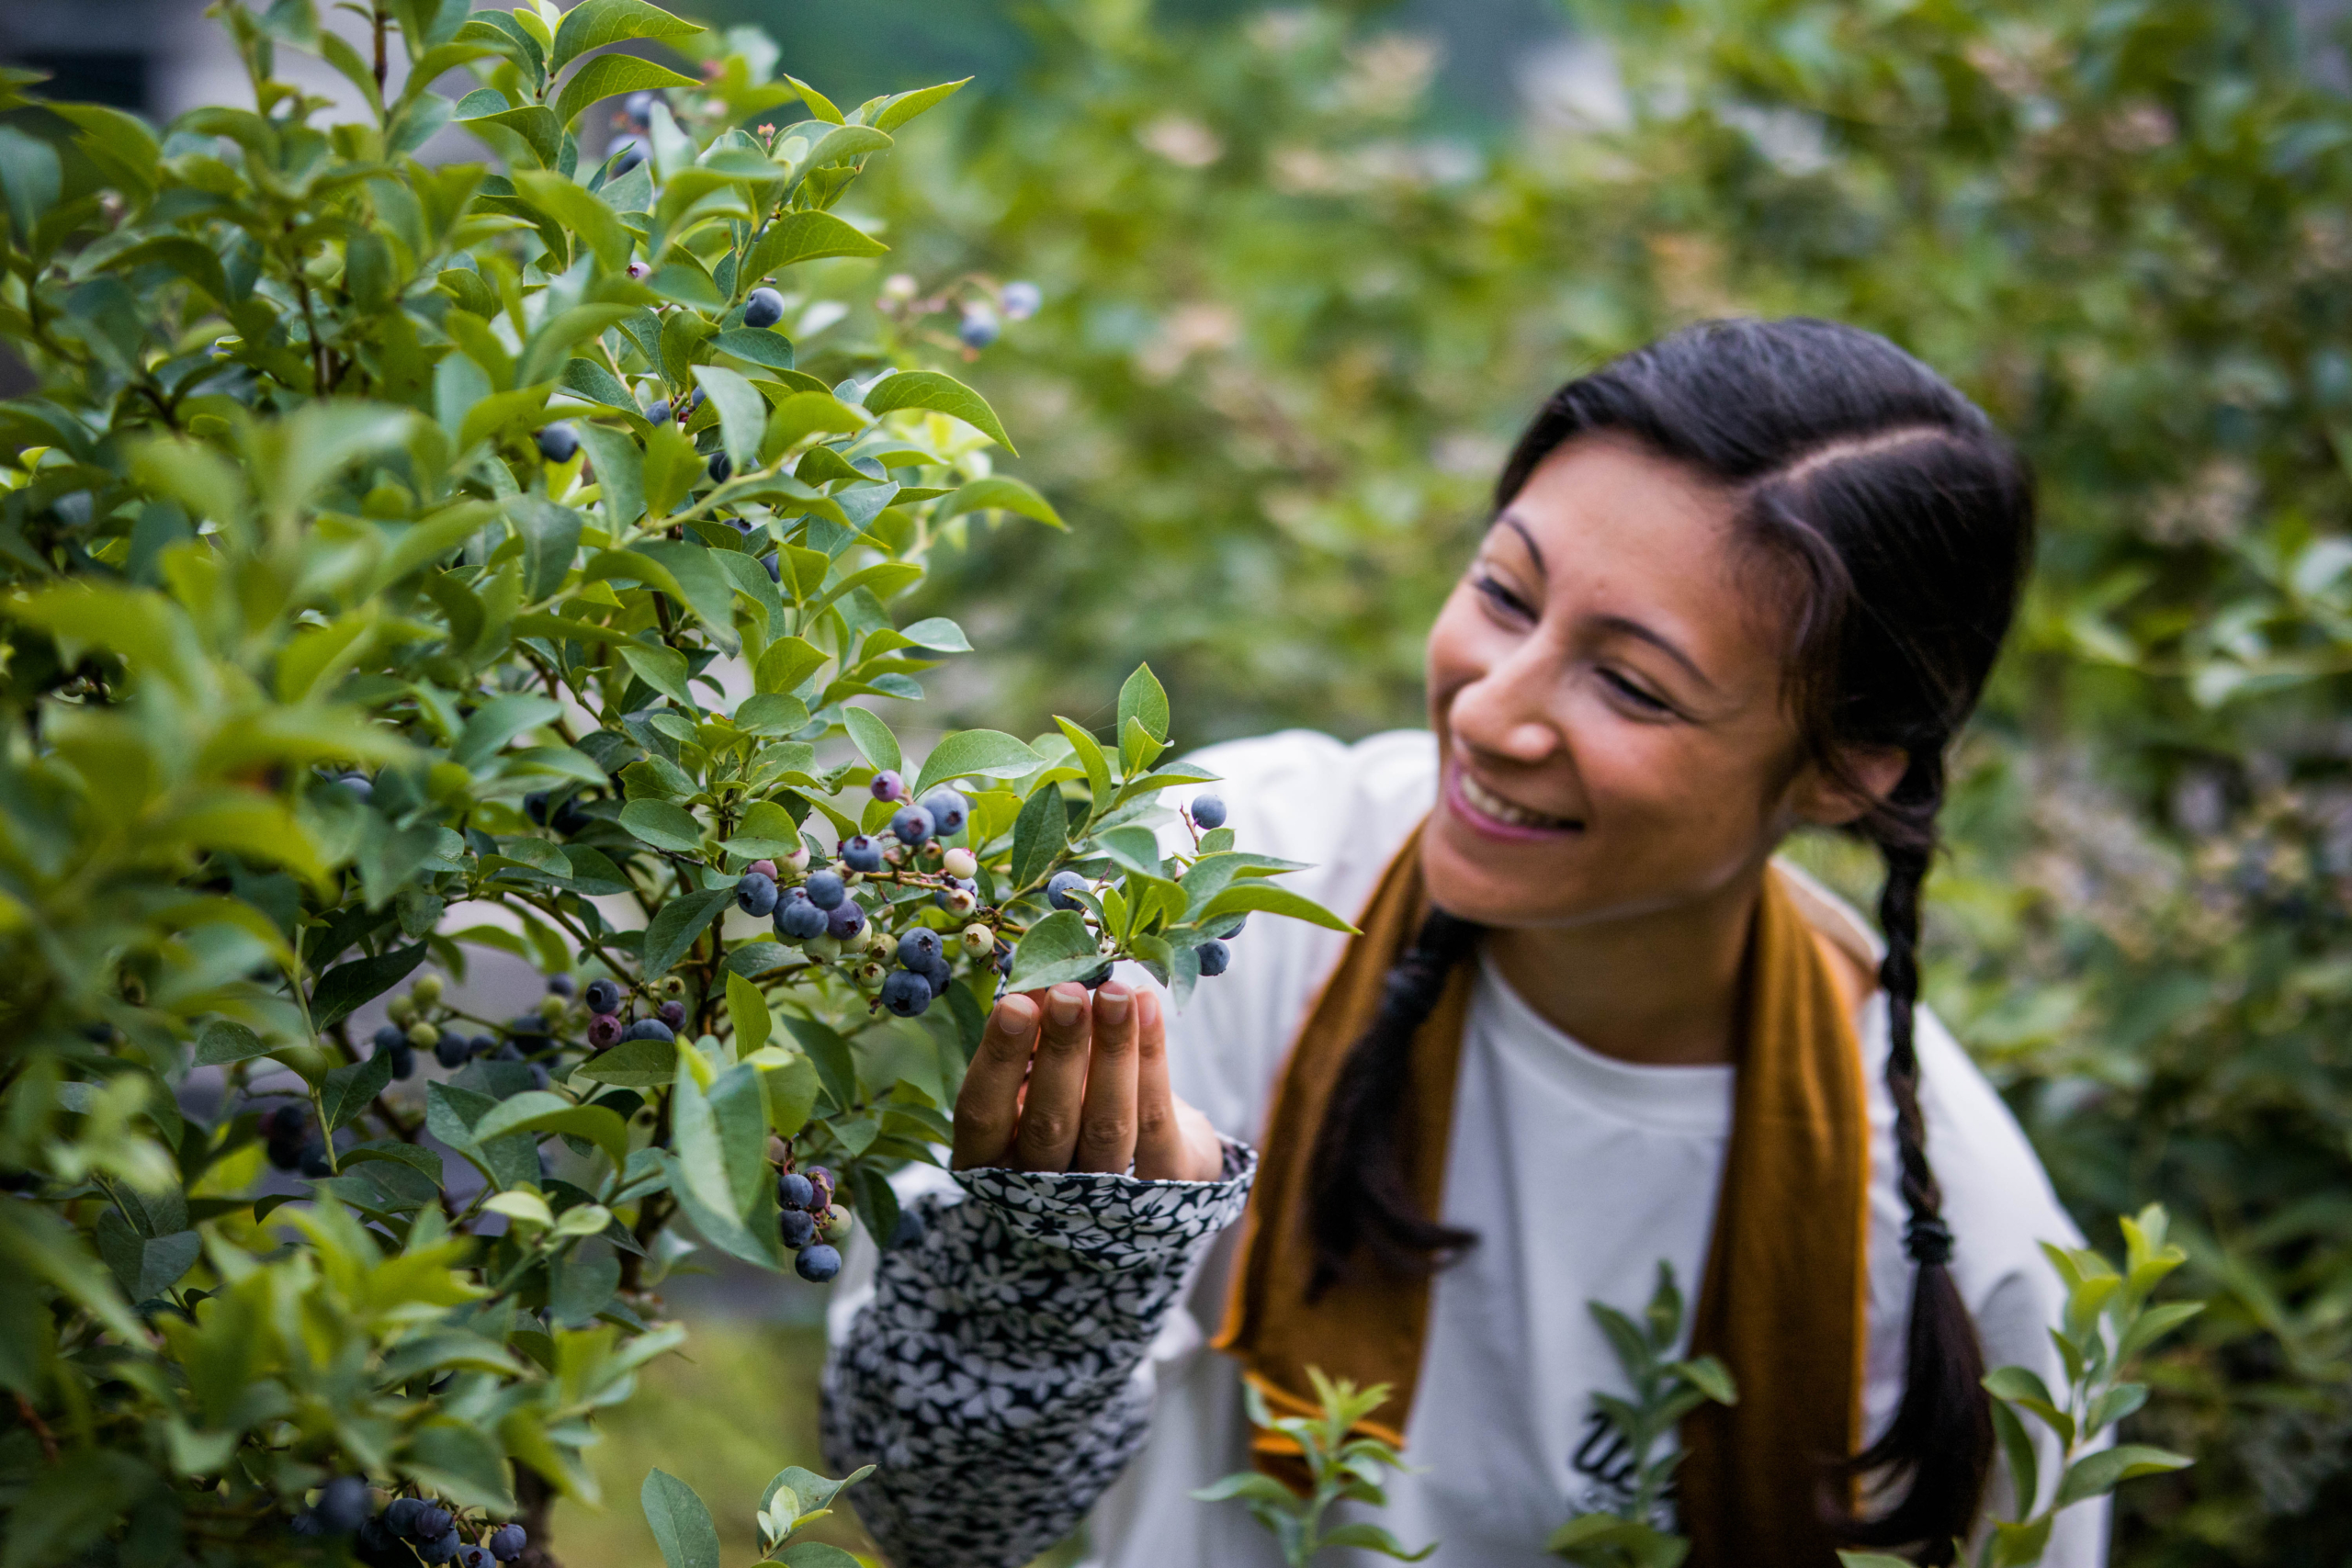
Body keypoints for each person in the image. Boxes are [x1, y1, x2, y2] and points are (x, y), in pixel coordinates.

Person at [820, 318, 2101, 1568]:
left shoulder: (1965, 1255)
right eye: (1505, 593)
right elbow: (931, 1515)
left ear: (1845, 769)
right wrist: (1056, 1279)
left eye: (1632, 684)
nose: (1492, 712)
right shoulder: (1215, 897)